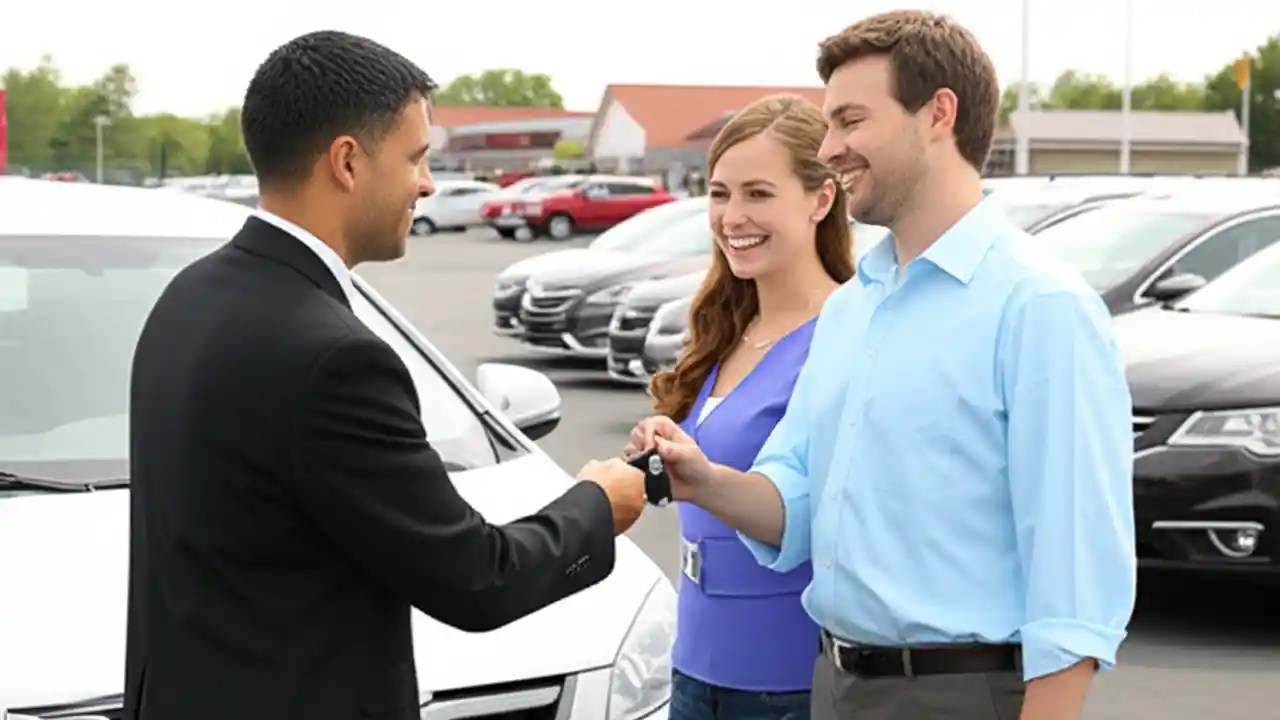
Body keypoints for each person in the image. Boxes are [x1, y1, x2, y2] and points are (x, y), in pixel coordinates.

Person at [625, 10, 1136, 720]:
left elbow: (1077, 584)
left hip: (964, 694)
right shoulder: (852, 309)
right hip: (835, 685)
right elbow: (794, 500)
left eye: (851, 121)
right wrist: (703, 480)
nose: (830, 147)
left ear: (939, 114)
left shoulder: (1039, 307)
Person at [124, 31, 646, 720]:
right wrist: (597, 507)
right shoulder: (331, 357)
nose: (428, 183)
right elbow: (476, 578)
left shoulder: (188, 297)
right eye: (416, 157)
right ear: (346, 161)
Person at [645, 95, 852, 720]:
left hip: (783, 679)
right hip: (695, 664)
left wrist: (703, 479)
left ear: (821, 199)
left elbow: (819, 516)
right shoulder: (726, 328)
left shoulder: (850, 332)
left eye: (759, 194)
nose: (733, 216)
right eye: (719, 193)